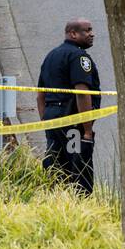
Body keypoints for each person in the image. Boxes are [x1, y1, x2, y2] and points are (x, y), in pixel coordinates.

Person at [36, 18, 100, 193]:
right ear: (73, 34)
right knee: (78, 166)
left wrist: (45, 121)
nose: (92, 34)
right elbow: (82, 92)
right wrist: (87, 129)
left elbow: (40, 94)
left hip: (53, 117)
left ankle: (55, 200)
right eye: (87, 30)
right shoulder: (79, 57)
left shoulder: (51, 55)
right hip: (71, 120)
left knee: (55, 165)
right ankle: (80, 205)